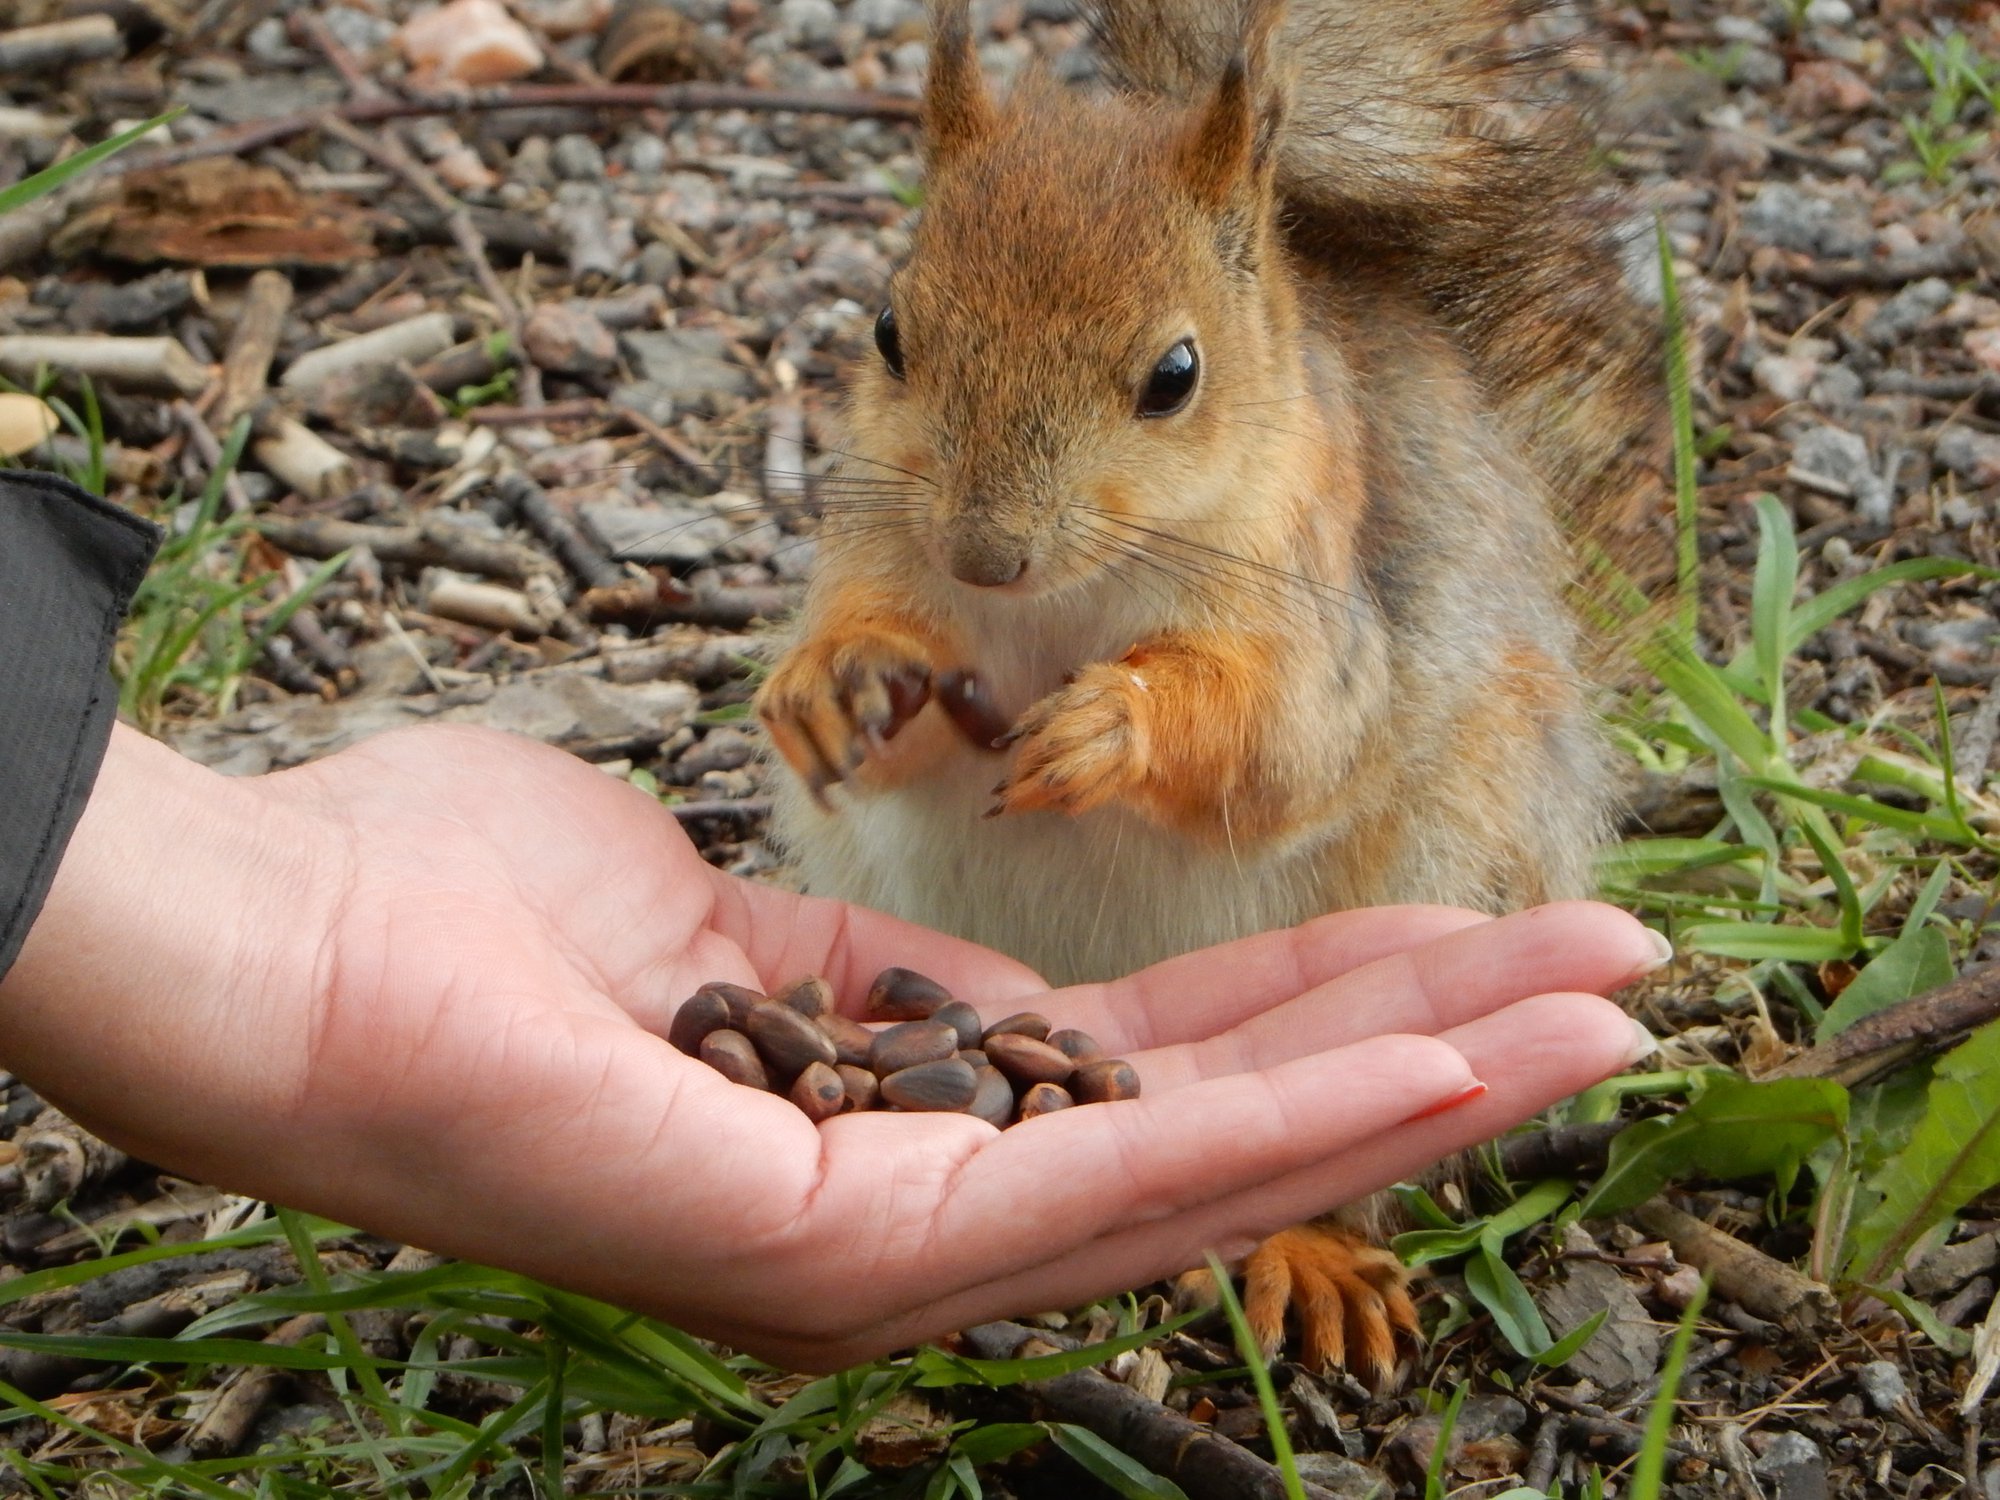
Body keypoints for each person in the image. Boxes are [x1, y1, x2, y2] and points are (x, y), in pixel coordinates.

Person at [0, 470, 1664, 1372]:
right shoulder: (914, 495)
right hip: (993, 950)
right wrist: (861, 689)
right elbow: (881, 731)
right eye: (907, 360)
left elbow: (1297, 760)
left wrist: (1164, 720)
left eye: (1157, 387)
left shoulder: (1278, 505)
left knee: (1440, 839)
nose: (993, 516)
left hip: (1296, 867)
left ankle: (1326, 1210)